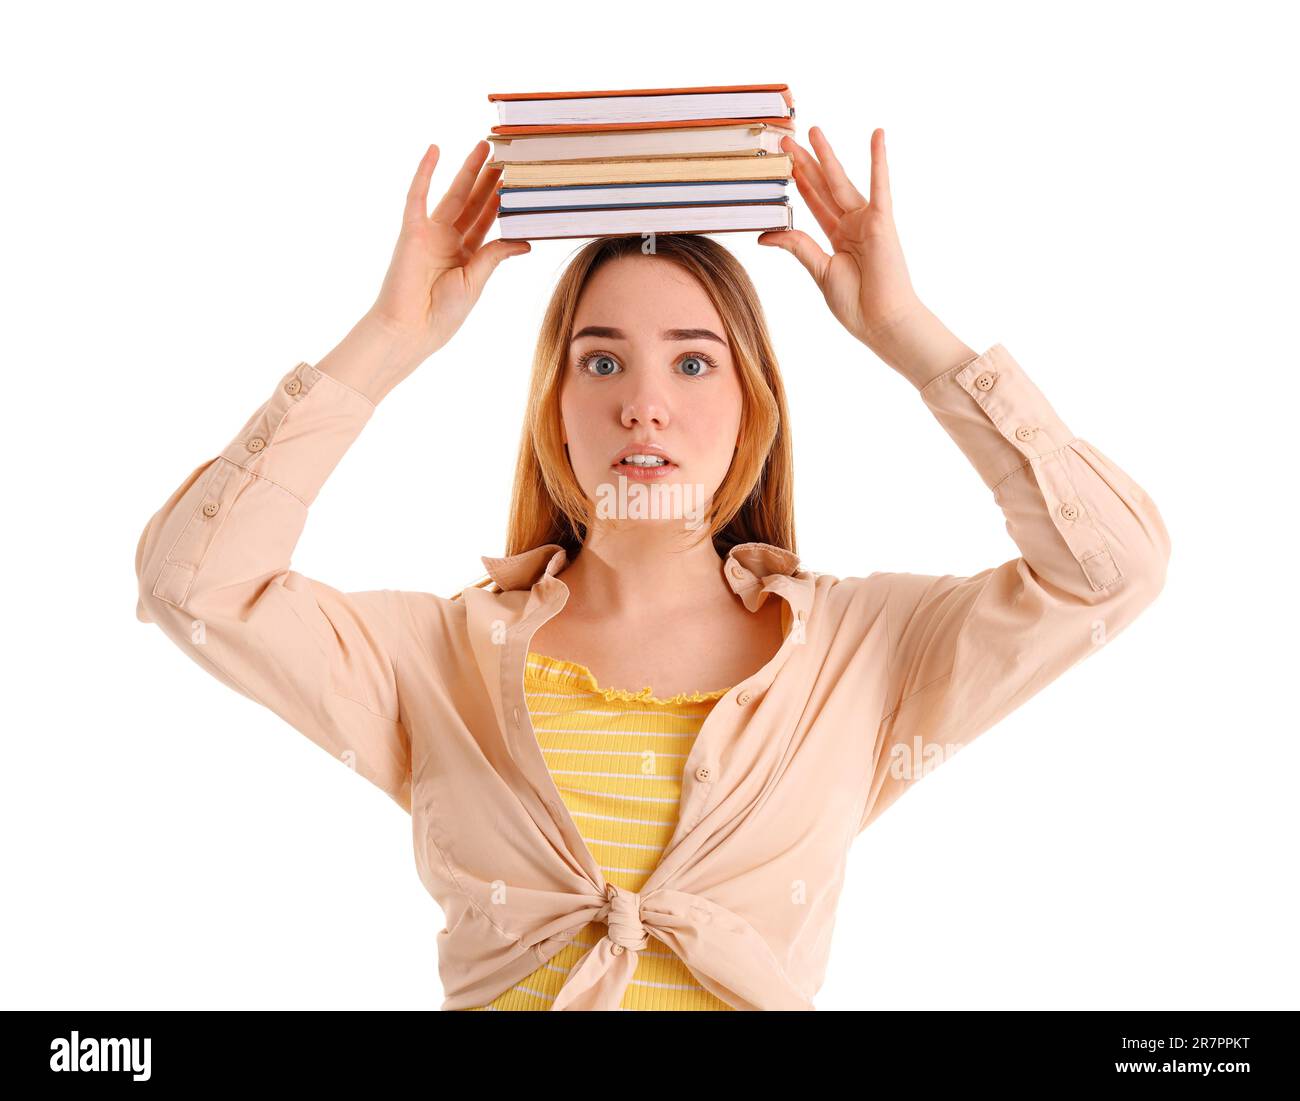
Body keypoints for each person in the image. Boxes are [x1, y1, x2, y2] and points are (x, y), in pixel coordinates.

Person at [134, 129, 1171, 1010]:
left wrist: (910, 337)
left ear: (751, 403)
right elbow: (194, 586)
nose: (644, 404)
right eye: (600, 361)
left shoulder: (862, 654)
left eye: (690, 360)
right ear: (554, 406)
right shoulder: (435, 656)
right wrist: (390, 338)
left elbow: (1110, 569)